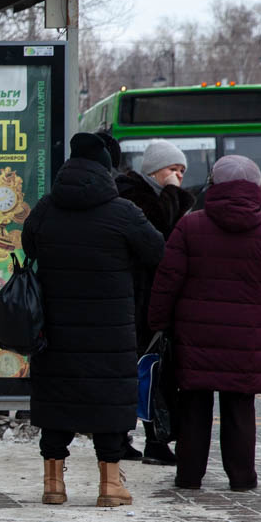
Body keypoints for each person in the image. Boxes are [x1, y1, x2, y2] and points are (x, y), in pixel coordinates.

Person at [21, 131, 166, 507]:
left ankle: (53, 484)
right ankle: (110, 485)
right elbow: (157, 252)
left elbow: (29, 246)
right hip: (110, 329)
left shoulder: (46, 208)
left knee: (56, 398)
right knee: (109, 401)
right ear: (106, 169)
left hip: (56, 326)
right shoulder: (123, 212)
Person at [146, 154, 261, 492]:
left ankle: (189, 476)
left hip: (194, 335)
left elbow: (168, 279)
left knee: (194, 407)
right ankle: (242, 479)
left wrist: (158, 321)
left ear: (214, 186)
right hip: (246, 338)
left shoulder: (190, 226)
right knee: (240, 408)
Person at [114, 139, 192, 465]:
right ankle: (138, 439)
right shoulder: (137, 197)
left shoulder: (152, 196)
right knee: (142, 370)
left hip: (150, 298)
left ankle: (149, 439)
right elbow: (162, 238)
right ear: (154, 170)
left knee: (152, 370)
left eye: (182, 171)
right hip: (136, 298)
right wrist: (174, 194)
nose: (178, 176)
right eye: (172, 169)